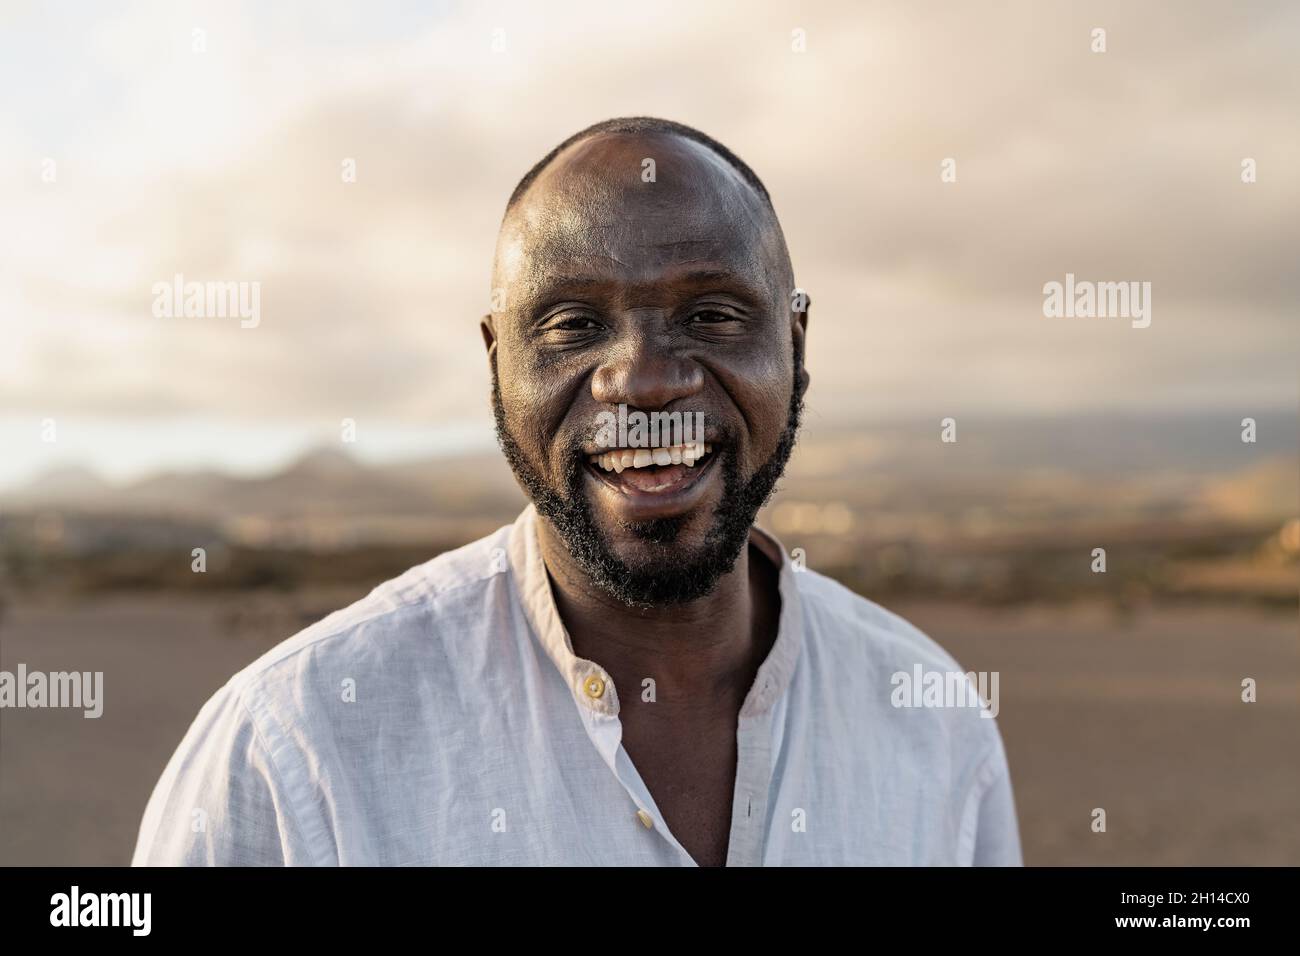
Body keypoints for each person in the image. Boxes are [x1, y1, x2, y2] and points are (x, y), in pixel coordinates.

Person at [132, 117, 1021, 866]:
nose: (641, 380)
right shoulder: (295, 749)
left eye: (710, 314)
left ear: (795, 344)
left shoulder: (932, 725)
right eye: (573, 324)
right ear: (497, 363)